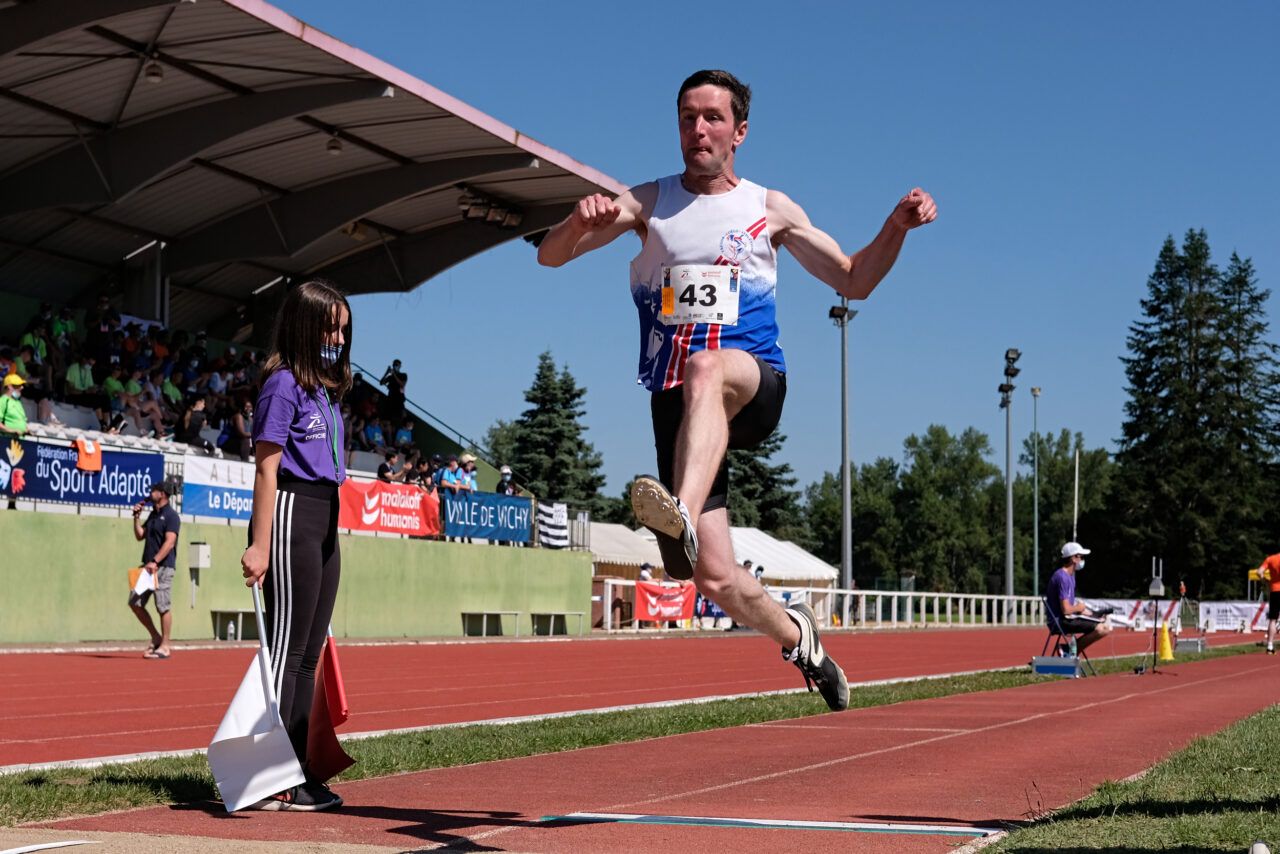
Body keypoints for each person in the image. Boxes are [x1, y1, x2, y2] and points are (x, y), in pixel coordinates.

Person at [536, 69, 937, 711]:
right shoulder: (648, 203)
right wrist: (577, 222)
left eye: (712, 118)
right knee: (716, 578)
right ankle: (801, 638)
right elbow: (551, 256)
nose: (698, 129)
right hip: (679, 405)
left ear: (739, 131)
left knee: (706, 366)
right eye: (687, 118)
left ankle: (679, 515)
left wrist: (896, 225)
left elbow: (853, 280)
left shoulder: (768, 208)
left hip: (753, 382)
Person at [239, 279, 351, 812]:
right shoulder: (282, 384)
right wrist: (259, 545)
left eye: (344, 330)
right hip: (290, 514)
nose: (339, 339)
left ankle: (296, 771)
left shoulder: (323, 388)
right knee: (286, 653)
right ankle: (265, 777)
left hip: (326, 515)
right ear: (305, 327)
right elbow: (266, 469)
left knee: (308, 655)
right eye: (331, 328)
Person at [129, 481, 180, 660]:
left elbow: (170, 542)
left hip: (163, 567)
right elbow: (140, 535)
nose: (150, 493)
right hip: (148, 567)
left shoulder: (171, 516)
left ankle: (165, 646)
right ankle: (156, 637)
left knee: (162, 606)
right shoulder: (153, 514)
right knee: (134, 602)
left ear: (162, 494)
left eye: (154, 491)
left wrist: (155, 561)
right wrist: (136, 518)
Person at [1046, 542, 1112, 655]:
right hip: (1059, 622)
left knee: (1105, 626)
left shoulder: (1070, 576)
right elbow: (1066, 610)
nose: (1082, 560)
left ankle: (1068, 650)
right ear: (1073, 558)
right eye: (1081, 557)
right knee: (1103, 628)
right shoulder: (1062, 577)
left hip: (1066, 619)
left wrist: (1093, 615)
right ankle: (1069, 650)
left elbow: (1070, 608)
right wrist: (1079, 607)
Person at [1253, 552, 1280, 654]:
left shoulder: (1270, 559)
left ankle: (1270, 646)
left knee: (1273, 619)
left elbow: (1259, 572)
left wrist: (1265, 581)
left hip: (1274, 590)